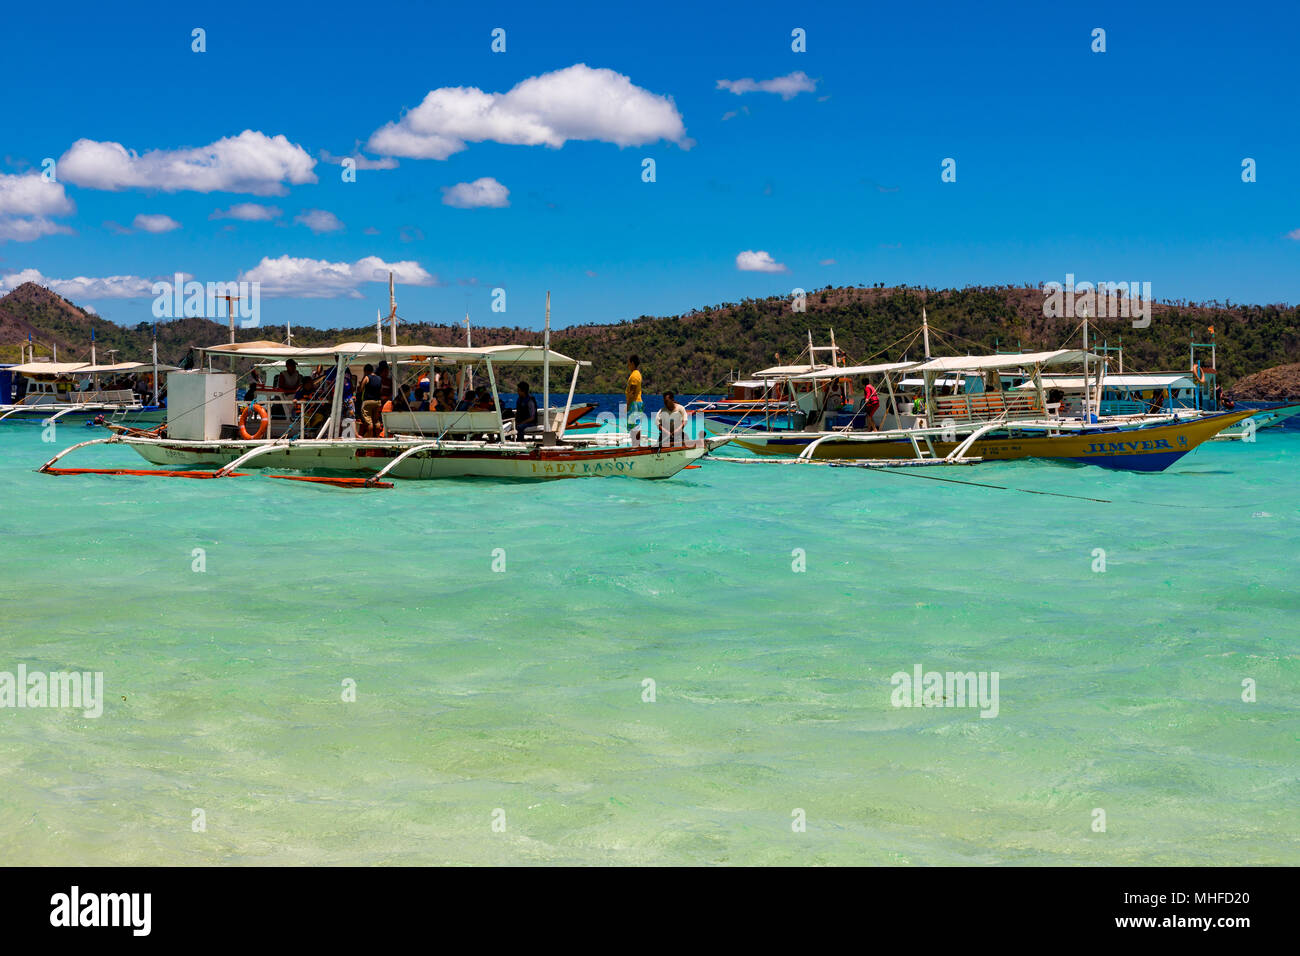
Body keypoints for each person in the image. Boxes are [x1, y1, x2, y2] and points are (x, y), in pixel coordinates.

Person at [626, 355, 644, 442]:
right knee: (635, 425)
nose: (627, 365)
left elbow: (632, 392)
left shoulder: (634, 376)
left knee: (635, 426)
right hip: (636, 402)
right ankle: (636, 444)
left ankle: (636, 445)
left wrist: (628, 405)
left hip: (634, 403)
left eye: (628, 363)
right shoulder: (637, 374)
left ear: (632, 363)